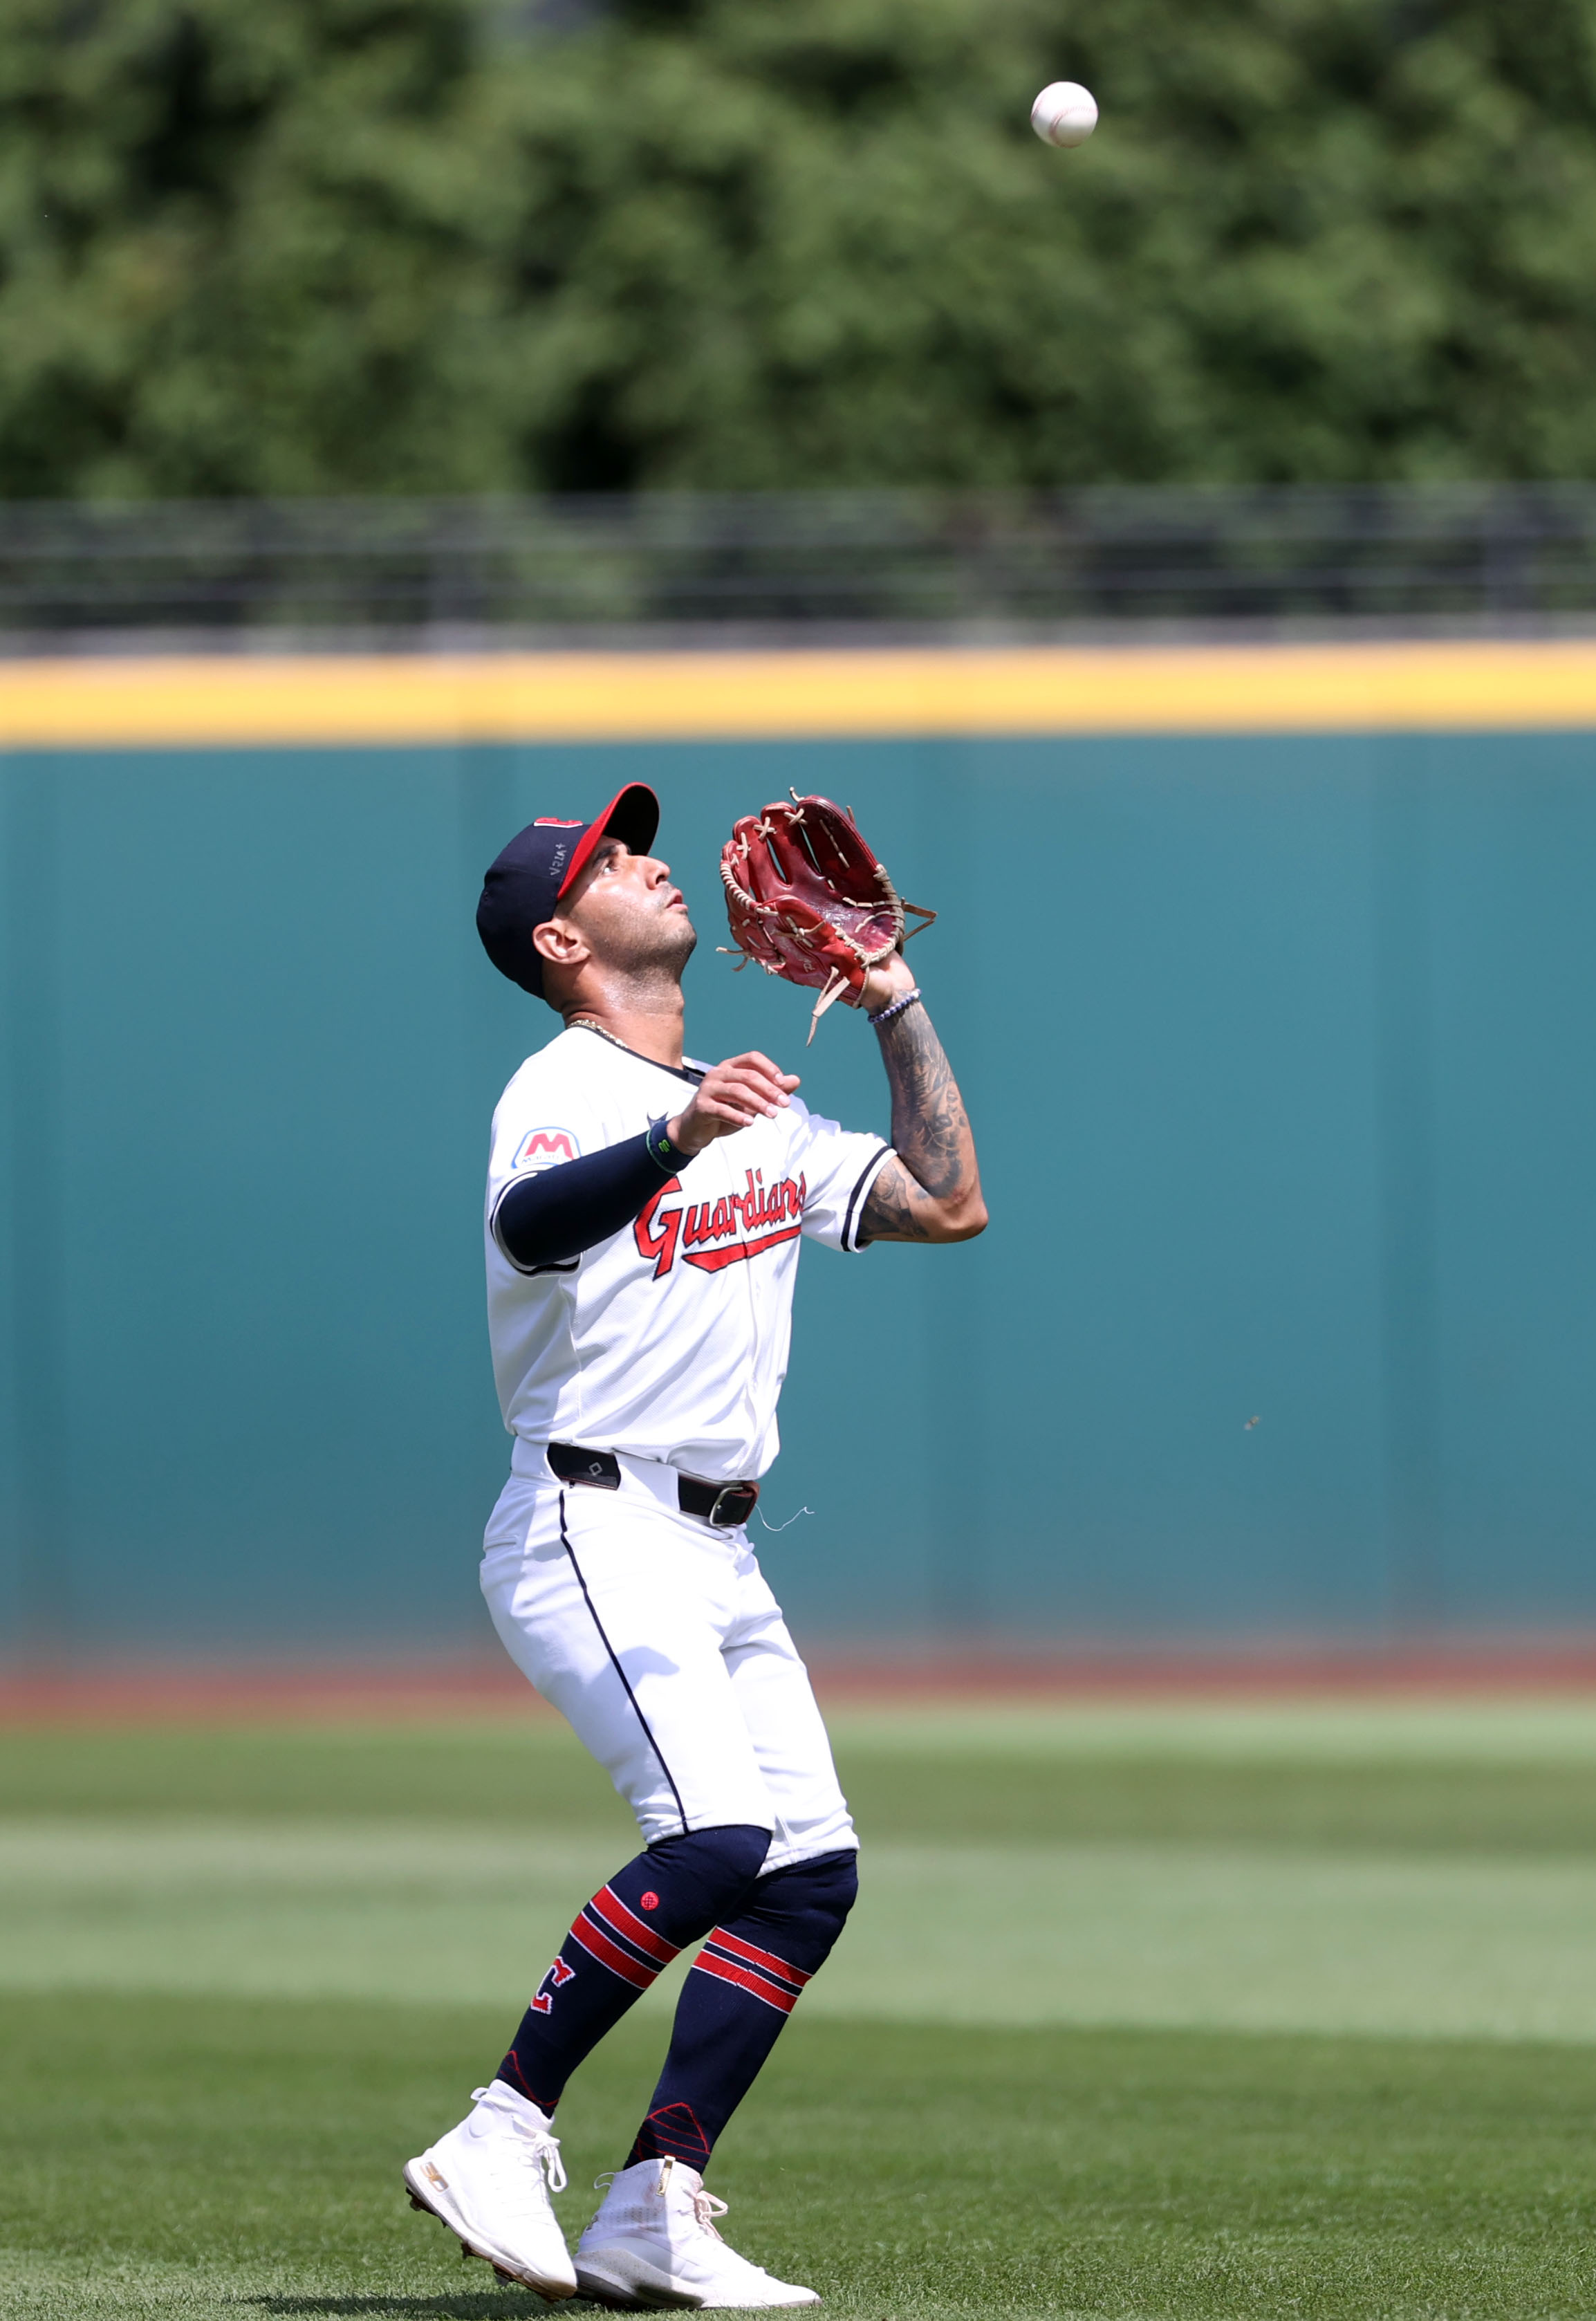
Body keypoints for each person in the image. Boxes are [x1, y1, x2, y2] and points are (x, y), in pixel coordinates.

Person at [403, 784, 985, 2308]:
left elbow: (949, 1202)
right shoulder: (569, 1079)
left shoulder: (757, 1103)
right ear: (559, 933)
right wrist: (675, 1128)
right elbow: (531, 1226)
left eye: (636, 843)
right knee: (715, 1837)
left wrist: (888, 996)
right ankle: (499, 2125)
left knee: (807, 1873)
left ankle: (655, 2197)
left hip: (717, 1545)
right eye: (607, 860)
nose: (649, 862)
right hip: (587, 1516)